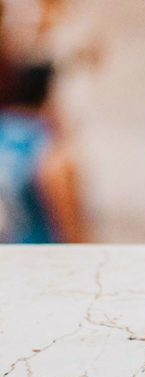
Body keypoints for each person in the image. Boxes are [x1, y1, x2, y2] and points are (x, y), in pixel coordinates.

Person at [0, 54, 88, 243]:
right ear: (49, 98)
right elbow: (75, 235)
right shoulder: (48, 151)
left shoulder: (5, 134)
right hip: (46, 254)